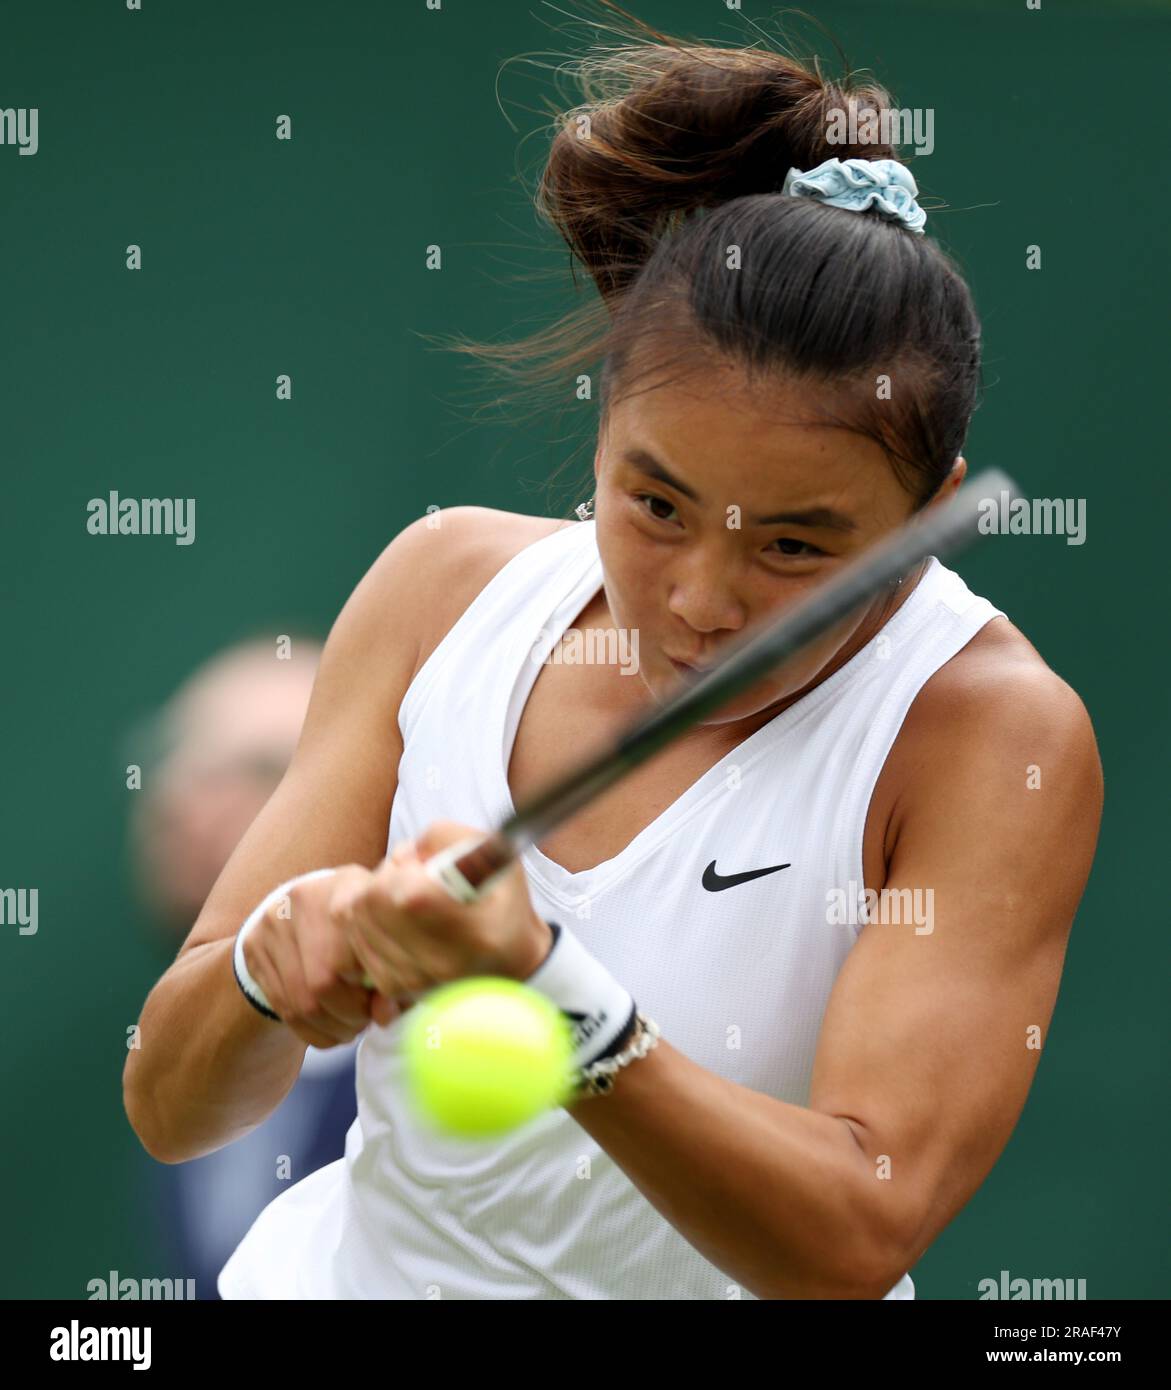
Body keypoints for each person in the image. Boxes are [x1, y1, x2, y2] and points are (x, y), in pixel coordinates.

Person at [123, 27, 1103, 1300]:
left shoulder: (991, 735)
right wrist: (268, 967)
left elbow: (857, 1233)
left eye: (797, 546)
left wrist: (548, 990)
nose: (699, 599)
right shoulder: (442, 587)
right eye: (654, 505)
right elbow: (172, 1101)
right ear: (603, 425)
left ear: (927, 521)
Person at [126, 638, 358, 1297]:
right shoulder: (172, 1071)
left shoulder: (431, 1043)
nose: (173, 801)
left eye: (244, 767)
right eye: (170, 758)